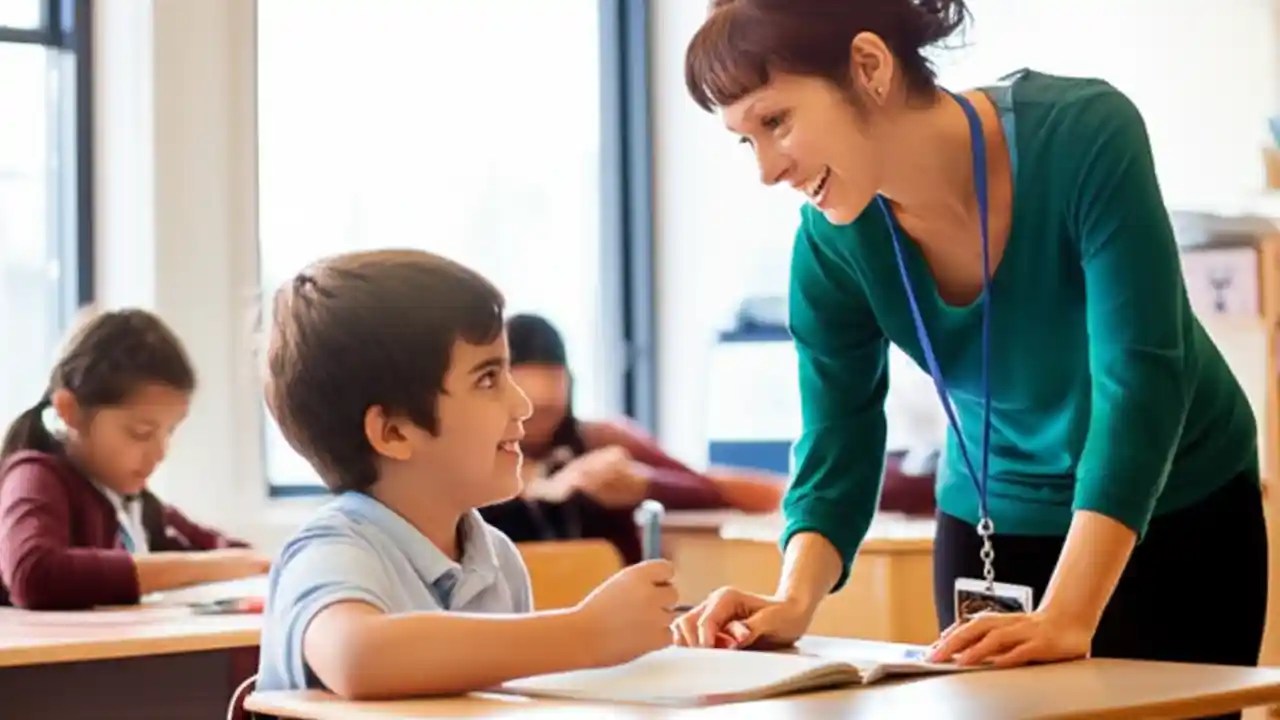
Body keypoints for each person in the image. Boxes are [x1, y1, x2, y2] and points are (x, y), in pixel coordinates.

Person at [671, 0, 1266, 691]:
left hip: (1179, 503)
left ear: (869, 67)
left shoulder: (1083, 134)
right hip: (992, 517)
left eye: (776, 121)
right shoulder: (830, 245)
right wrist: (792, 598)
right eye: (746, 141)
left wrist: (1068, 613)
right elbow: (838, 437)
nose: (767, 171)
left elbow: (1139, 379)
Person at [254, 250, 677, 698]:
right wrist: (586, 633)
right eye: (488, 379)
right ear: (394, 432)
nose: (522, 404)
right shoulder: (332, 548)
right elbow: (355, 656)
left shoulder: (497, 559)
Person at [0, 309, 270, 610]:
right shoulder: (34, 476)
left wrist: (247, 563)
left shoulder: (138, 506)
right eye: (141, 433)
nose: (161, 453)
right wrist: (206, 567)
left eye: (169, 432)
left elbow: (230, 553)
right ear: (69, 411)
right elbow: (33, 575)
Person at [480, 313, 784, 563]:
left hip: (611, 599)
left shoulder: (600, 440)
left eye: (549, 411)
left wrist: (644, 484)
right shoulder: (474, 458)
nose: (534, 426)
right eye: (527, 413)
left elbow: (711, 489)